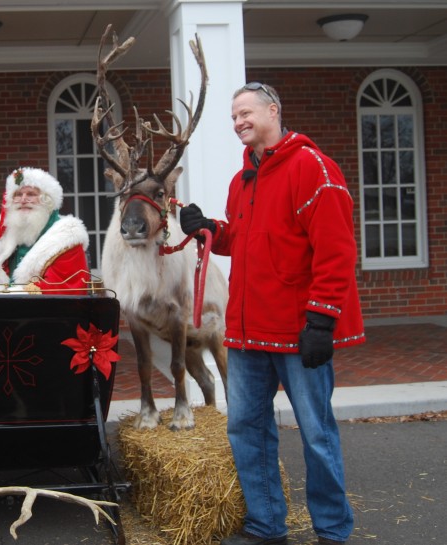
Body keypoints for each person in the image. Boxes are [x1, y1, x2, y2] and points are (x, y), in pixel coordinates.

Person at [179, 83, 366, 545]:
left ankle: (332, 532)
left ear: (273, 110)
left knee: (316, 435)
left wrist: (321, 320)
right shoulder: (243, 179)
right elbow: (244, 240)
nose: (239, 121)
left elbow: (337, 251)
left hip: (297, 330)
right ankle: (266, 527)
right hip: (245, 332)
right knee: (246, 428)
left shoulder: (314, 168)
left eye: (246, 112)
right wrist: (209, 230)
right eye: (234, 116)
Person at [0, 167, 90, 295]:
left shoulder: (66, 238)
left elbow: (63, 289)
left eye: (31, 194)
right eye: (18, 195)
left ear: (47, 200)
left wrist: (11, 295)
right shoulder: (6, 229)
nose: (23, 199)